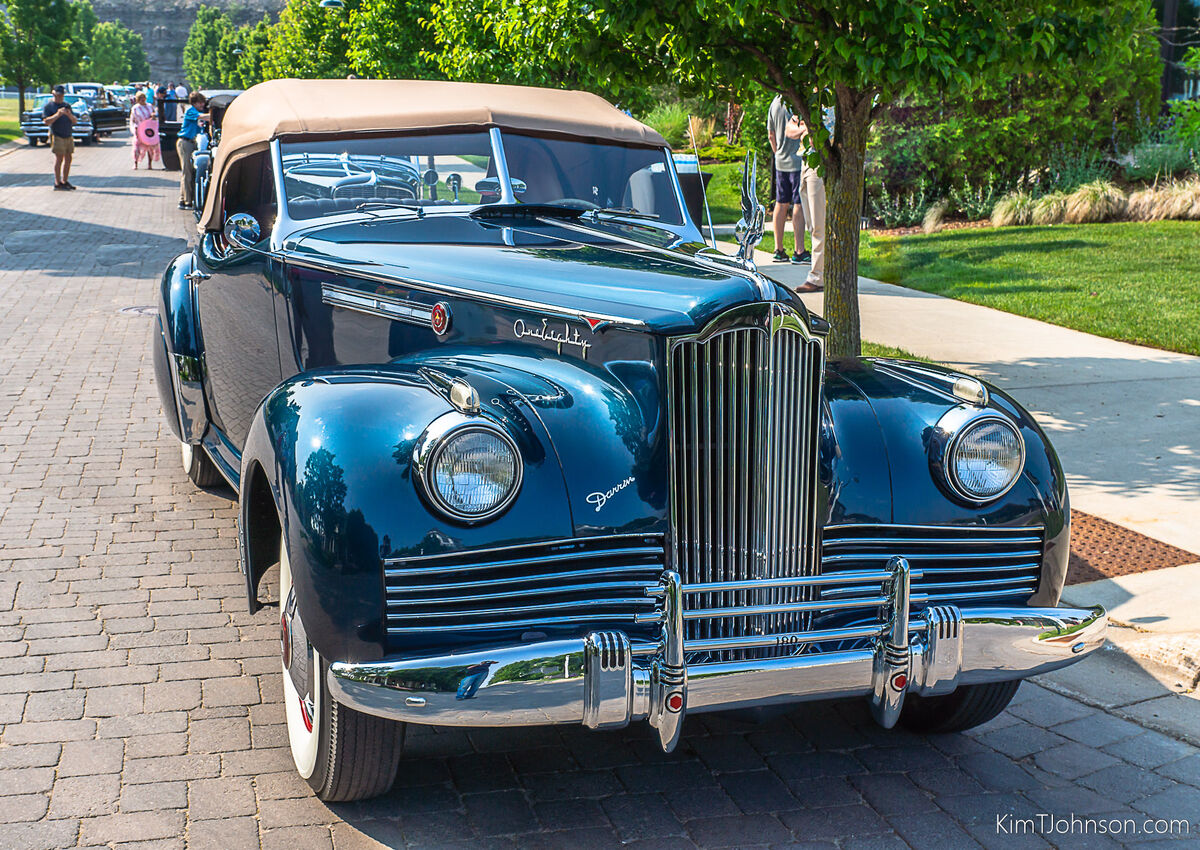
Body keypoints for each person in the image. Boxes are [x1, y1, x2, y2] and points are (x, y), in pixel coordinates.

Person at [794, 97, 837, 292]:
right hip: (806, 161)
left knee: (818, 224)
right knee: (812, 224)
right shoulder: (809, 99)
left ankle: (817, 276)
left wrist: (807, 130)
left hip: (818, 162)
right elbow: (790, 129)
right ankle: (823, 271)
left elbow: (817, 136)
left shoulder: (828, 99)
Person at [766, 94, 808, 264]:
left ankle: (779, 249)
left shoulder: (774, 103)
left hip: (780, 161)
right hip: (797, 161)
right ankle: (799, 251)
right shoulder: (796, 102)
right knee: (798, 204)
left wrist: (778, 154)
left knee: (780, 203)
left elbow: (771, 135)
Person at [176, 91, 210, 210]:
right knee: (187, 171)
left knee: (188, 171)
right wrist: (215, 115)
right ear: (195, 103)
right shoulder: (191, 111)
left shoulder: (198, 111)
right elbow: (203, 117)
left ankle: (183, 199)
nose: (202, 105)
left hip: (192, 143)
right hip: (185, 142)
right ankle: (187, 201)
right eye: (200, 103)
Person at [43, 85, 77, 191]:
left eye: (61, 95)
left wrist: (69, 115)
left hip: (68, 134)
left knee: (69, 158)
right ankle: (57, 182)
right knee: (59, 158)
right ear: (54, 94)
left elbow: (74, 121)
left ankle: (65, 181)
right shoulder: (49, 106)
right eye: (58, 95)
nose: (60, 98)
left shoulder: (67, 105)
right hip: (57, 135)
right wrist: (57, 114)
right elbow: (46, 121)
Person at [129, 91, 160, 170]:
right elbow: (132, 120)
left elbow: (154, 116)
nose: (142, 100)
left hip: (149, 129)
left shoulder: (149, 106)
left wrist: (153, 116)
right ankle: (135, 163)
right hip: (139, 129)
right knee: (137, 147)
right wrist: (134, 129)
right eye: (140, 98)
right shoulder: (135, 108)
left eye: (143, 98)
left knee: (150, 147)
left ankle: (150, 164)